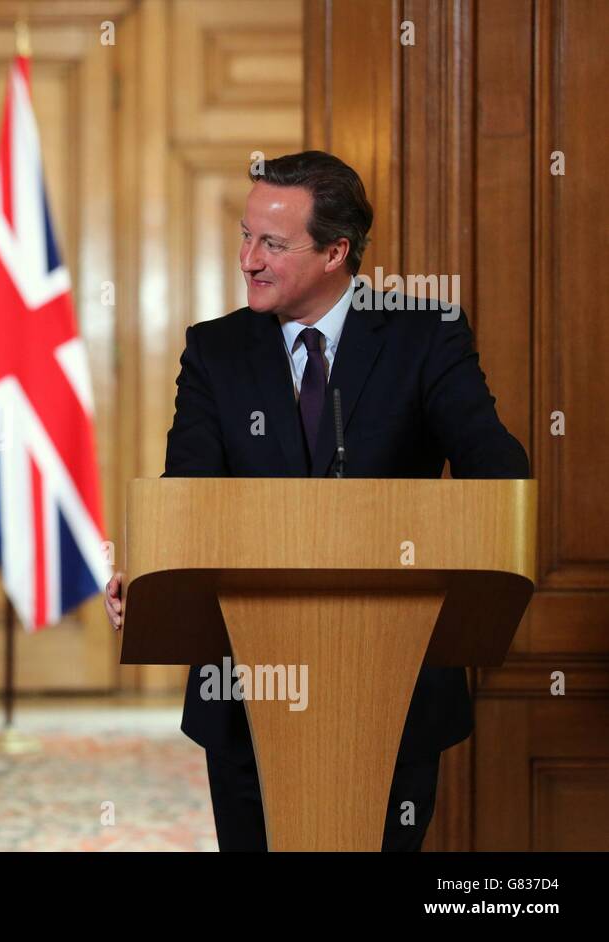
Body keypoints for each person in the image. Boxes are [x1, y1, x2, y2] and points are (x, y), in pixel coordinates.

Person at [103, 151, 529, 851]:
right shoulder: (215, 350)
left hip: (394, 684)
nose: (248, 259)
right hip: (245, 686)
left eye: (272, 243)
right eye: (245, 235)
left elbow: (498, 469)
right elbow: (190, 491)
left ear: (337, 251)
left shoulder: (426, 337)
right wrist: (150, 572)